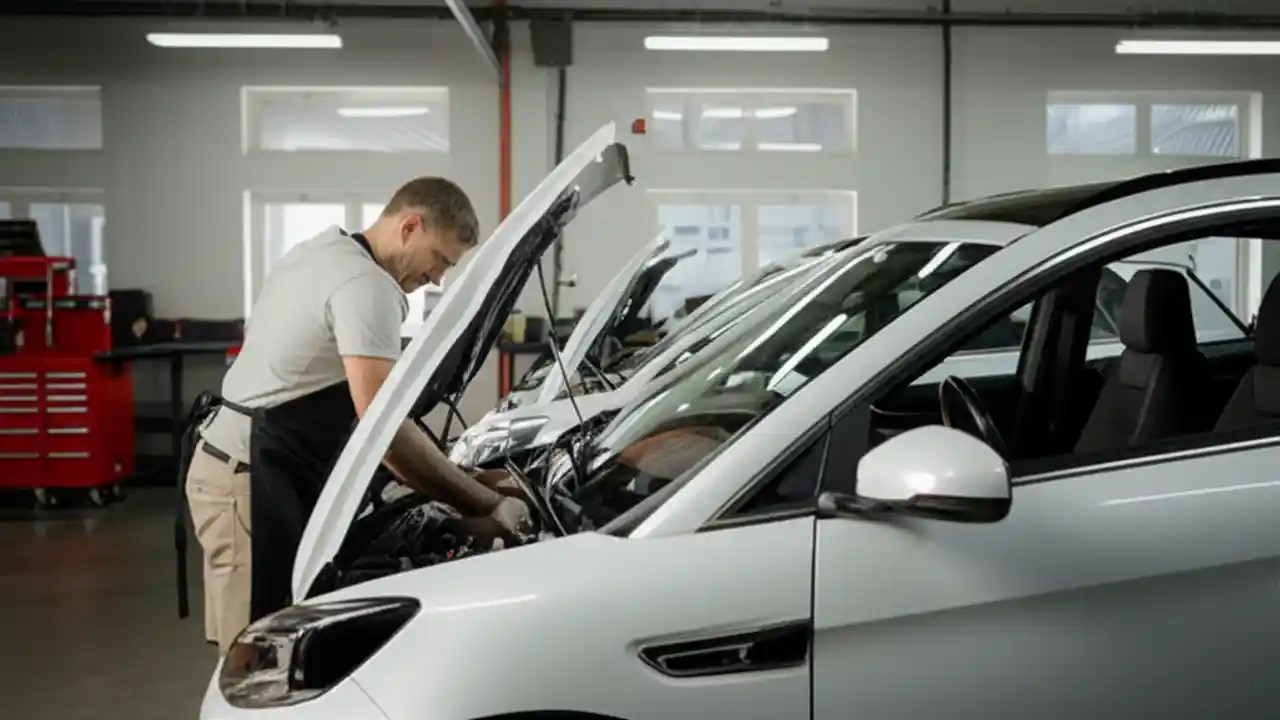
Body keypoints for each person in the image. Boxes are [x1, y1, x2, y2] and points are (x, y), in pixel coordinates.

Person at [185, 177, 530, 653]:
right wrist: (482, 503)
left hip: (245, 466)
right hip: (246, 479)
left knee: (276, 640)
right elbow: (383, 434)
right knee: (255, 656)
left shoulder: (319, 251)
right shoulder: (368, 287)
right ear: (410, 226)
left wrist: (465, 473)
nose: (437, 279)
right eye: (440, 261)